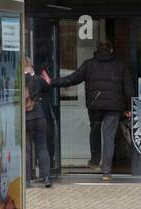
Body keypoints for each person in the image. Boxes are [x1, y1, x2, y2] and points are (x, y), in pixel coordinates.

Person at [54, 43, 133, 182]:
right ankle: (106, 172)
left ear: (96, 51)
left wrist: (52, 82)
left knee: (95, 129)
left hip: (95, 105)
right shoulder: (119, 65)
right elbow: (128, 88)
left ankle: (95, 161)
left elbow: (72, 79)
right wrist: (129, 108)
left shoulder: (89, 64)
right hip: (114, 107)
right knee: (109, 137)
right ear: (111, 50)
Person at [24, 56, 52, 188]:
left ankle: (27, 180)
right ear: (30, 65)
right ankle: (46, 177)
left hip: (25, 118)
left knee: (27, 149)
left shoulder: (18, 81)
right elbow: (47, 87)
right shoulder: (37, 79)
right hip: (39, 117)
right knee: (42, 147)